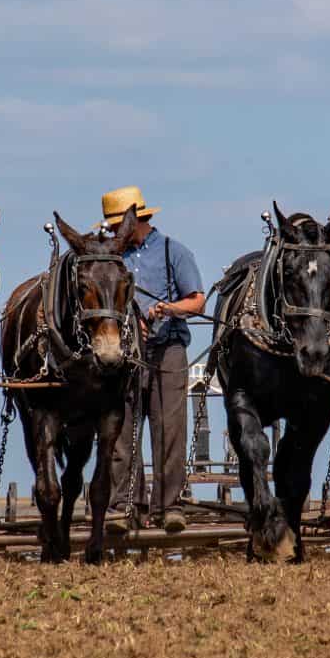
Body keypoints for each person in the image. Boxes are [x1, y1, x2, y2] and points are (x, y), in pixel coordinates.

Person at [99, 186, 205, 534]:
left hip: (168, 351)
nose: (114, 233)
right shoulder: (115, 258)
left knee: (169, 430)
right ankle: (124, 505)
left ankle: (169, 506)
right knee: (121, 432)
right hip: (126, 355)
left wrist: (165, 310)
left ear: (135, 221)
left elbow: (197, 301)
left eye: (117, 227)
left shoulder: (174, 252)